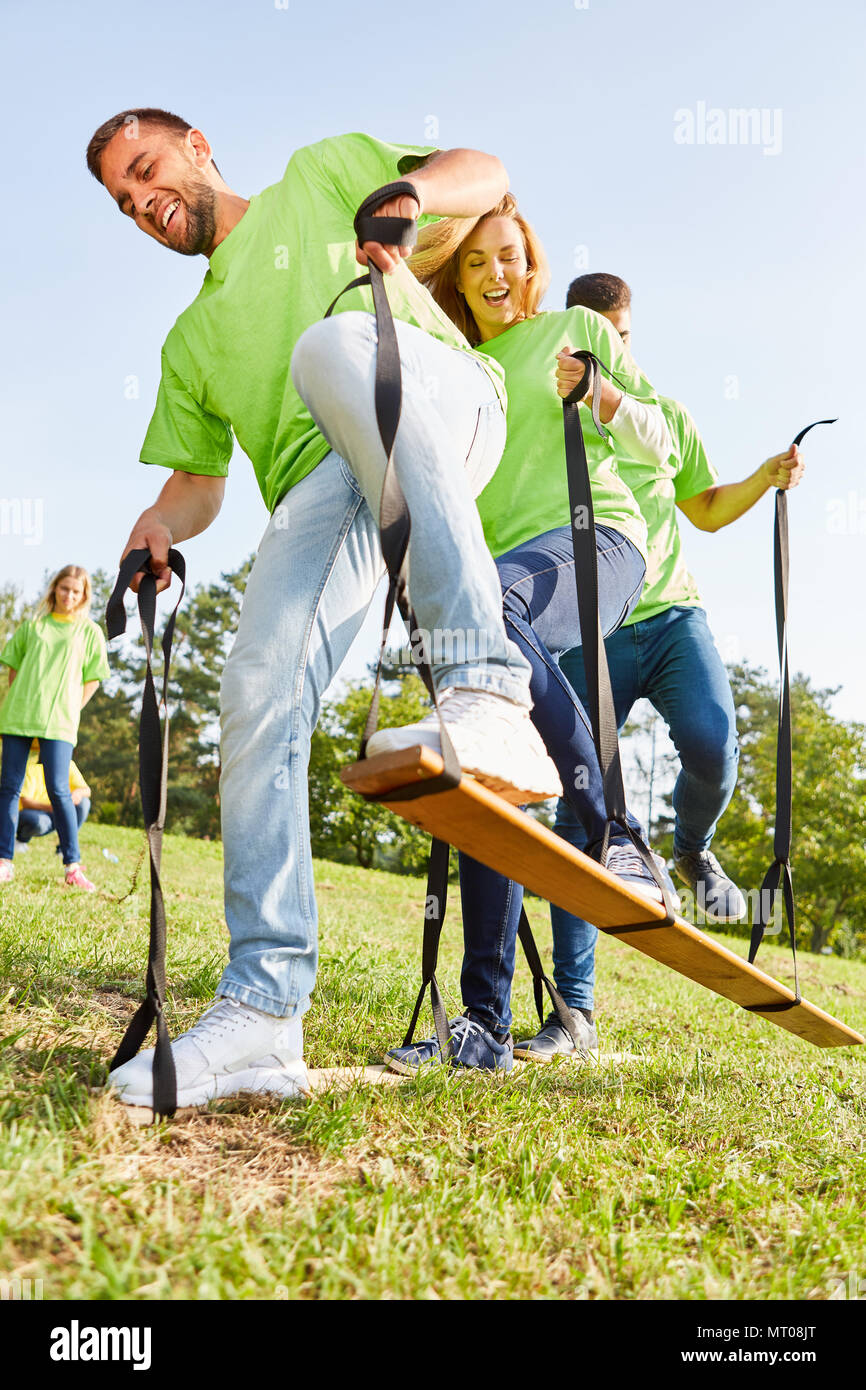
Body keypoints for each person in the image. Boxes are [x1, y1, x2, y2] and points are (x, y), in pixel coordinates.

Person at [86, 108, 560, 1110]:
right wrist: (156, 525)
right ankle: (263, 1010)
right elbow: (198, 483)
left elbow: (483, 167)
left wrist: (408, 201)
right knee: (254, 687)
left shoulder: (321, 170)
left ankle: (488, 684)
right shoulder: (191, 338)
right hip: (326, 494)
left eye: (145, 169)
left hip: (430, 394)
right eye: (124, 201)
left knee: (326, 345)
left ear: (200, 144)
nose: (141, 201)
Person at [381, 197, 679, 1076]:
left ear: (532, 259)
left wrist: (600, 389)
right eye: (475, 265)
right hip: (497, 576)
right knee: (494, 782)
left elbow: (661, 442)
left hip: (599, 547)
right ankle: (481, 1025)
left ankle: (612, 828)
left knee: (492, 609)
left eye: (508, 256)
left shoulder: (576, 326)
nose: (496, 276)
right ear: (456, 282)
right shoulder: (456, 367)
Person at [515, 272, 805, 1062]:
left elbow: (704, 508)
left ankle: (690, 846)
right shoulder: (547, 399)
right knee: (580, 808)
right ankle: (573, 1012)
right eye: (597, 335)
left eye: (624, 335)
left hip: (673, 615)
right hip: (593, 628)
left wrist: (765, 478)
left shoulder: (663, 414)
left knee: (714, 743)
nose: (614, 348)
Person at [0, 566, 108, 890]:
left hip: (59, 722)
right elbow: (14, 671)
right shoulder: (32, 626)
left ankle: (72, 866)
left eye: (76, 591)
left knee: (60, 790)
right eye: (64, 589)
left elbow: (93, 679)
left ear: (84, 595)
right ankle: (4, 861)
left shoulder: (89, 632)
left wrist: (71, 708)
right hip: (19, 716)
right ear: (54, 589)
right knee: (9, 788)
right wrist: (22, 707)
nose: (69, 596)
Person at [11, 741, 92, 849]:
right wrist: (51, 808)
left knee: (84, 803)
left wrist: (77, 793)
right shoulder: (32, 769)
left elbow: (87, 790)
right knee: (37, 821)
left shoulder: (69, 766)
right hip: (37, 814)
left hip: (59, 812)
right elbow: (25, 801)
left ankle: (65, 848)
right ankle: (21, 841)